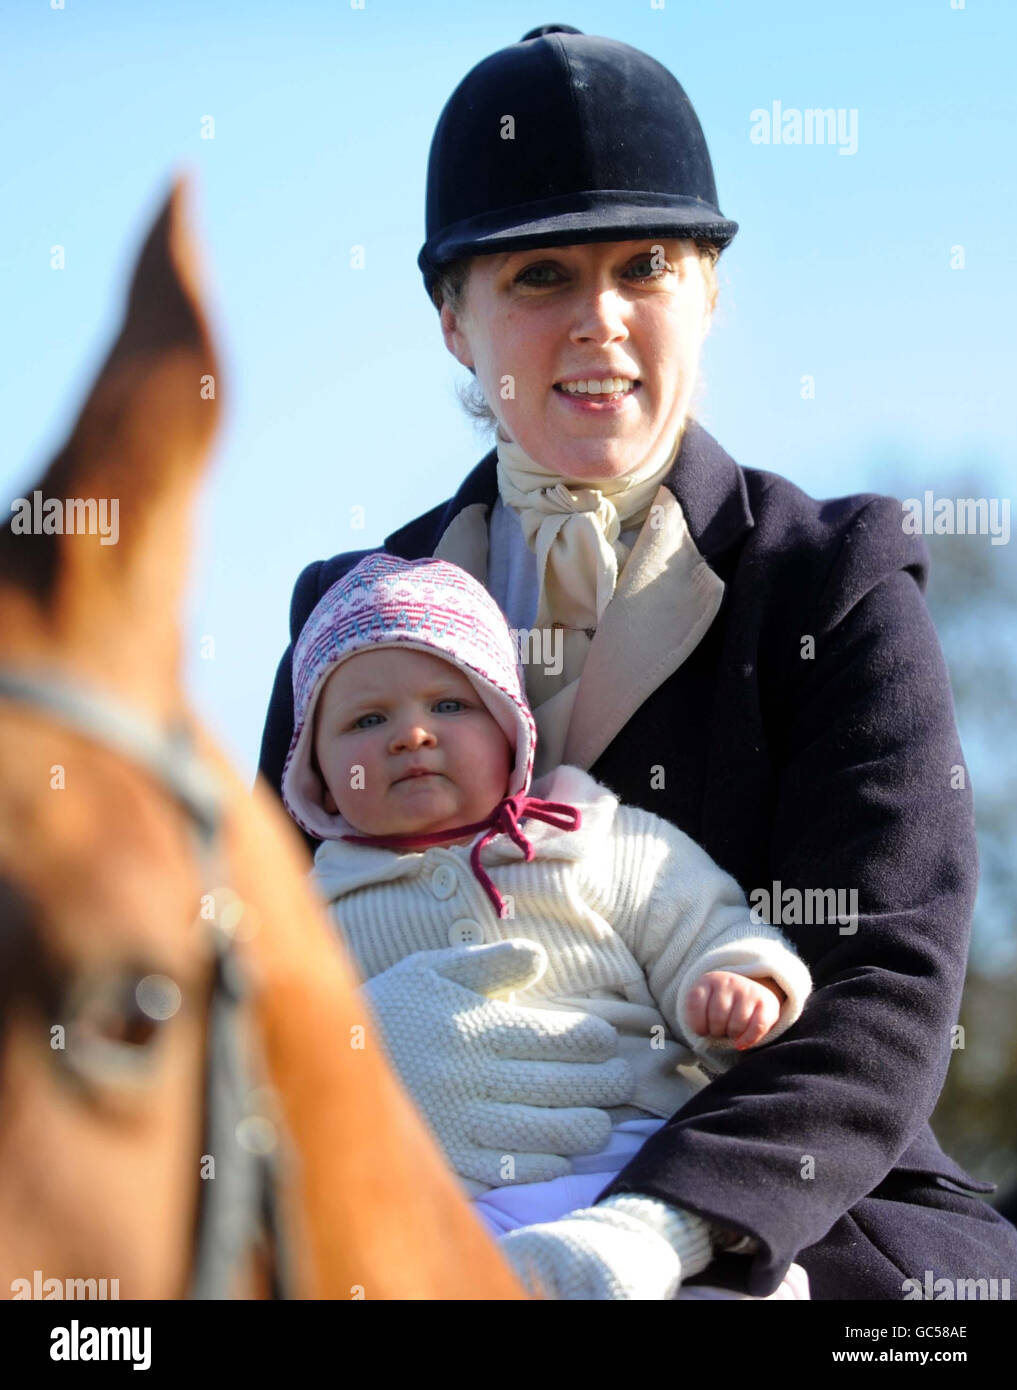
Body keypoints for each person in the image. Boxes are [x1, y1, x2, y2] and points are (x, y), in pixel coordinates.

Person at [258, 24, 1017, 1298]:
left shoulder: (835, 579)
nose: (599, 323)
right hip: (401, 1201)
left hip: (785, 1203)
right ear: (455, 319)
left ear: (709, 288)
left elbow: (880, 988)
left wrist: (661, 1225)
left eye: (646, 266)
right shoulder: (344, 615)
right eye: (542, 275)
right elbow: (260, 958)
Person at [280, 552, 814, 1298]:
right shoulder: (307, 914)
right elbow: (278, 1063)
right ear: (319, 778)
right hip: (451, 1201)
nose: (411, 736)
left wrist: (737, 982)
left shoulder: (600, 839)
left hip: (639, 1167)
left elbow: (703, 923)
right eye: (368, 720)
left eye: (448, 705)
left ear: (511, 732)